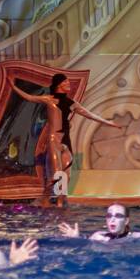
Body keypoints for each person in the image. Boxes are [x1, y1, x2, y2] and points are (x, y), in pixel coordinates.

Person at [12, 74, 118, 206]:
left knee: (66, 176)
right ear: (59, 84)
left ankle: (60, 203)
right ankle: (44, 198)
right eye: (66, 82)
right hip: (54, 140)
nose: (69, 84)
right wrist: (12, 86)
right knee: (57, 175)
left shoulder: (71, 103)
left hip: (65, 142)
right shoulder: (48, 99)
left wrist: (109, 123)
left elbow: (89, 115)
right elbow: (28, 97)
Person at [59, 203, 140, 242]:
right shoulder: (98, 236)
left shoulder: (137, 237)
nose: (112, 219)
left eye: (118, 216)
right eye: (109, 216)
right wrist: (76, 238)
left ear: (126, 221)